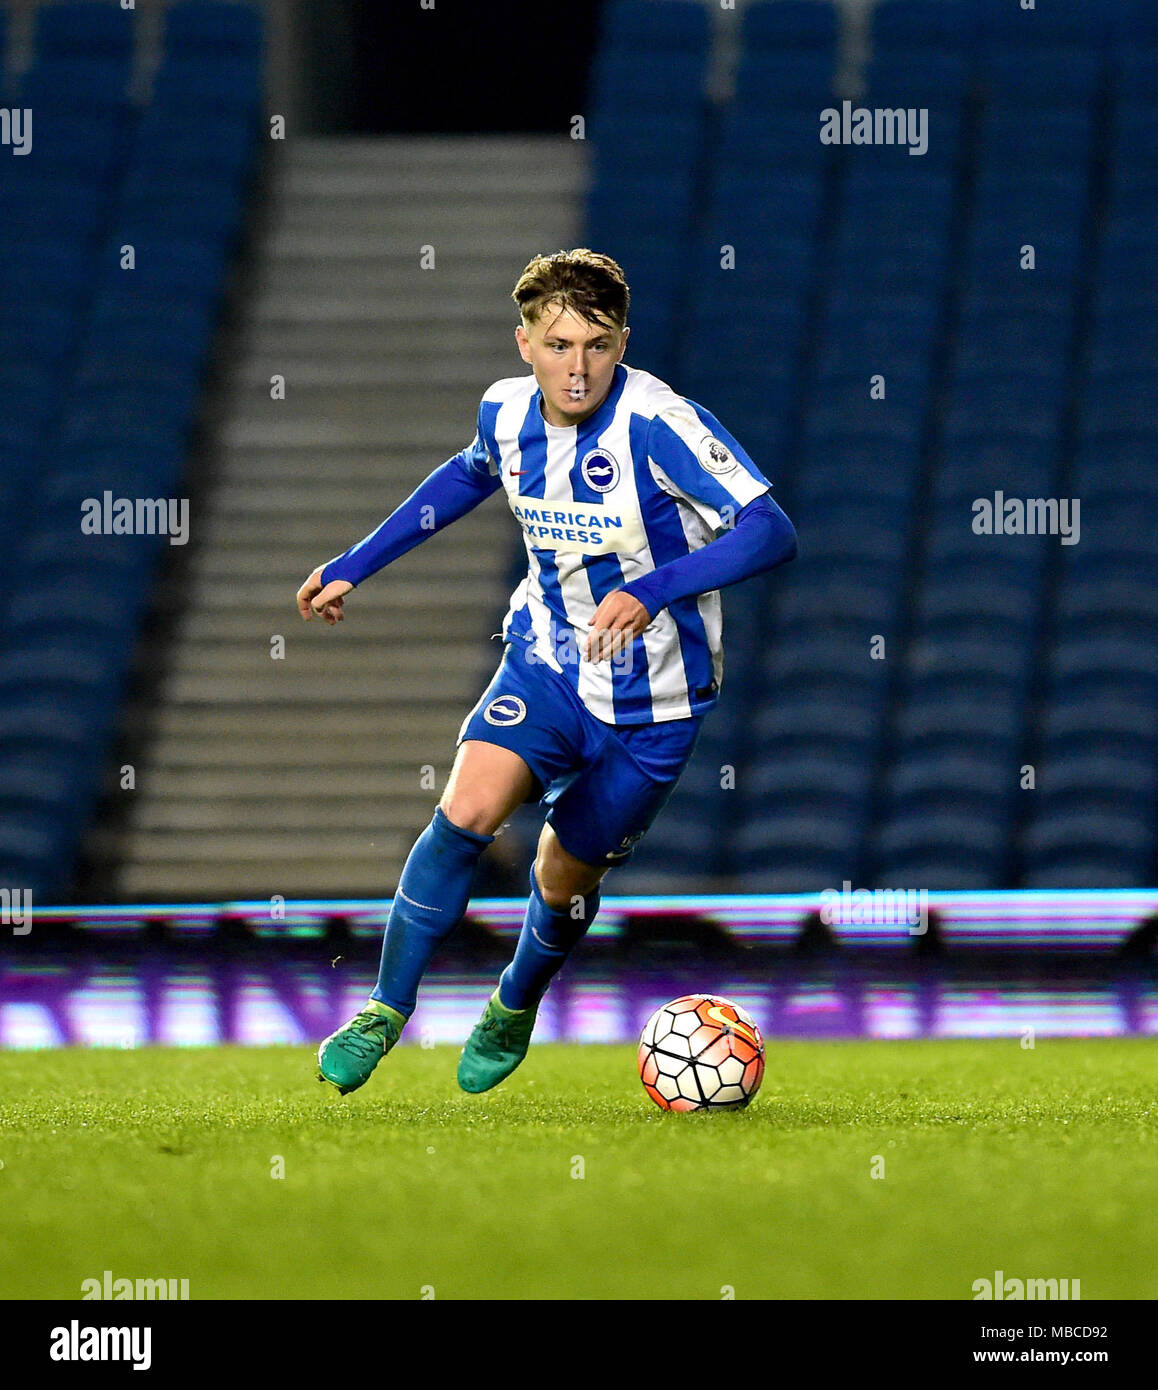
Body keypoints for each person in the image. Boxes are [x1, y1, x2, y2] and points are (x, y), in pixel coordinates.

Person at [297, 248, 797, 1096]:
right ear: (523, 342)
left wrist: (654, 587)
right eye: (558, 344)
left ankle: (514, 1001)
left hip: (657, 704)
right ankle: (385, 1009)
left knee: (563, 876)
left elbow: (770, 529)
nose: (577, 367)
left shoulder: (659, 422)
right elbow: (463, 477)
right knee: (467, 809)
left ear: (623, 342)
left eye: (597, 345)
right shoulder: (504, 414)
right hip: (549, 664)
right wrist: (358, 562)